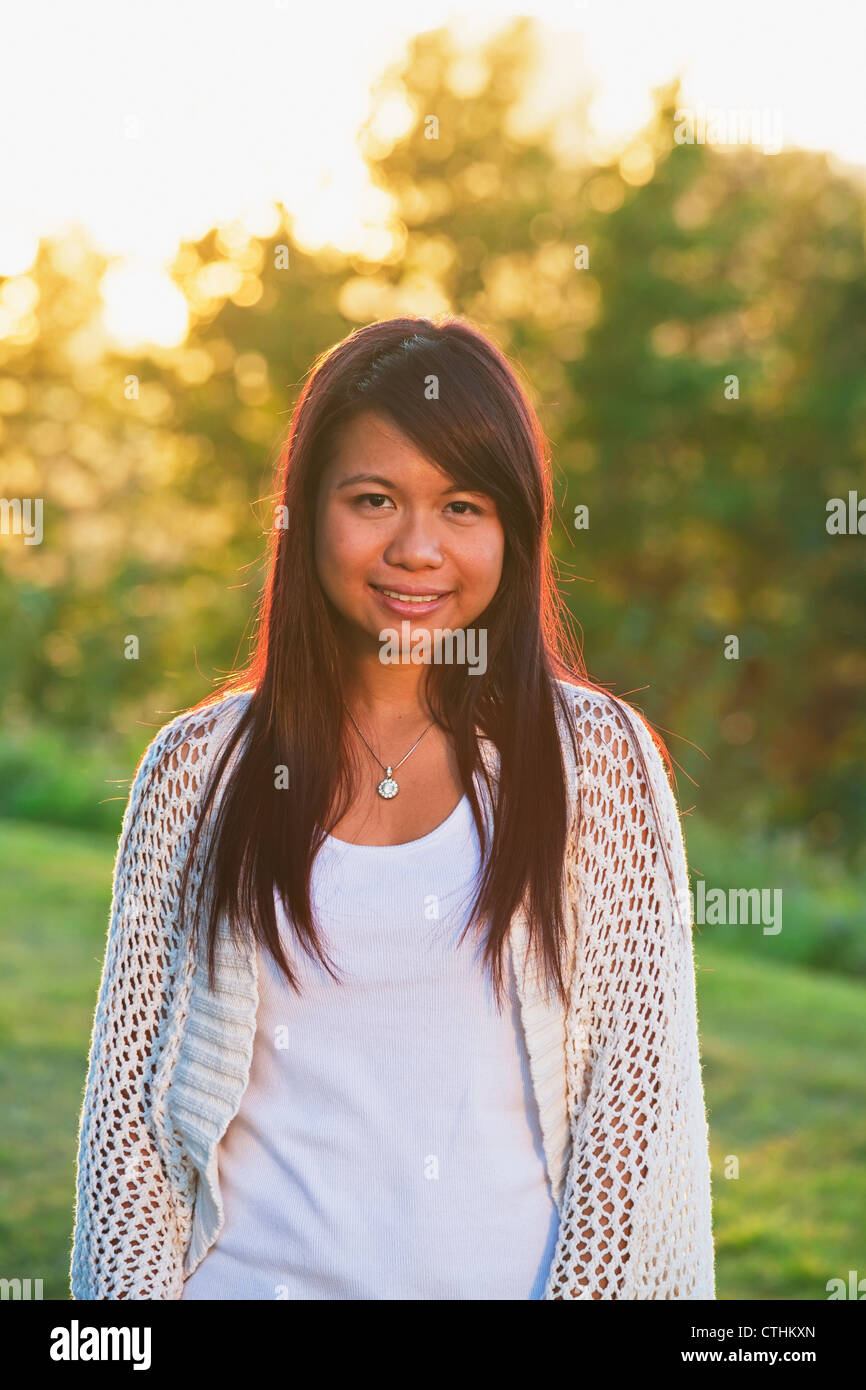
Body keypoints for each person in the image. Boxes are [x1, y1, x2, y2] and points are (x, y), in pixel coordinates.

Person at [69, 314, 715, 1300]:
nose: (417, 548)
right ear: (303, 513)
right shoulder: (193, 772)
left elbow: (631, 1122)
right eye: (372, 499)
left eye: (462, 506)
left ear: (514, 526)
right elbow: (128, 1125)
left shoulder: (596, 764)